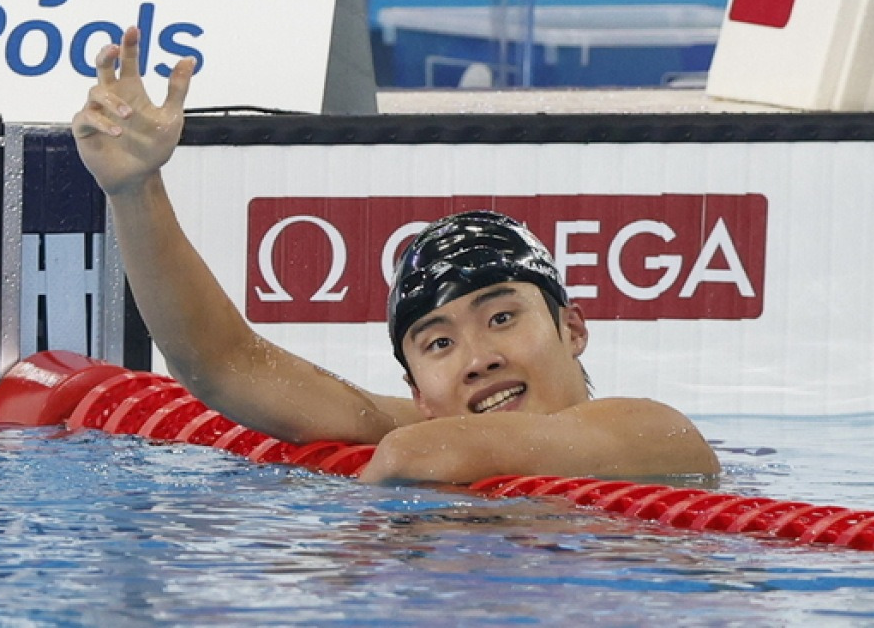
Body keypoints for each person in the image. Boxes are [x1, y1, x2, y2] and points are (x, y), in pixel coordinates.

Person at [71, 27, 720, 485]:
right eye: (438, 345)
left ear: (572, 328)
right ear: (418, 391)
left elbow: (423, 456)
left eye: (501, 317)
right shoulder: (424, 424)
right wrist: (133, 189)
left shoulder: (654, 433)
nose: (479, 359)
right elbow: (226, 363)